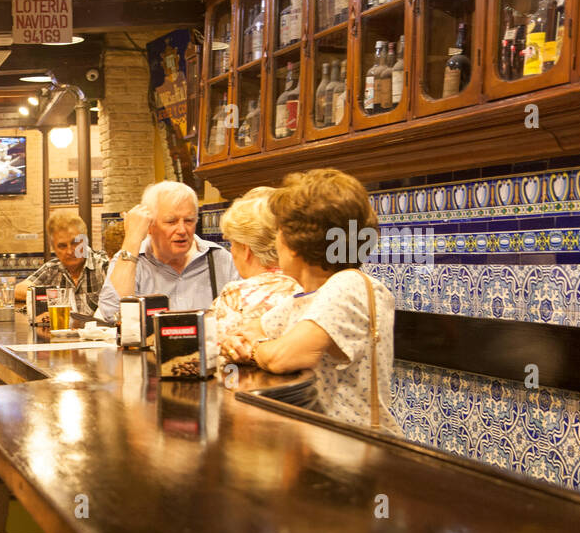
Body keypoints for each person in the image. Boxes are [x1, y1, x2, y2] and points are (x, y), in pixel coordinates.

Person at [220, 168, 400, 432]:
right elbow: (245, 332)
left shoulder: (350, 285)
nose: (276, 240)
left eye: (279, 231)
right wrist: (238, 342)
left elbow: (285, 356)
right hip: (319, 446)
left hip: (356, 451)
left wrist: (253, 350)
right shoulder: (303, 297)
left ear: (295, 242)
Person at [97, 180, 238, 321]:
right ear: (150, 226)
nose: (182, 230)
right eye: (171, 222)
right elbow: (112, 313)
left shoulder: (220, 259)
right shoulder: (132, 260)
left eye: (189, 220)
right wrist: (132, 239)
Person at [209, 186, 301, 338]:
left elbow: (214, 350)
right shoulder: (307, 287)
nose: (231, 251)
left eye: (232, 244)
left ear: (246, 250)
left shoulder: (235, 295)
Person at [13, 210, 108, 313]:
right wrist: (54, 295)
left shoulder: (103, 265)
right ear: (54, 248)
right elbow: (17, 291)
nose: (70, 251)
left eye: (75, 243)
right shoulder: (52, 269)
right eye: (62, 246)